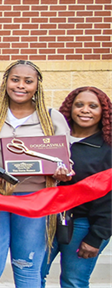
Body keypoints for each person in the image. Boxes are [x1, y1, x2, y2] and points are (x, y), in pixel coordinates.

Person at [0, 60, 69, 288]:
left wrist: (63, 171)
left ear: (37, 86)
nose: (20, 86)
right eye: (15, 80)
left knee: (26, 265)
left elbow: (64, 158)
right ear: (6, 82)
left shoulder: (52, 118)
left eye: (28, 81)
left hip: (34, 200)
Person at [45, 86, 112, 288]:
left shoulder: (107, 148)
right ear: (69, 109)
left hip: (83, 225)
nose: (85, 110)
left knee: (73, 282)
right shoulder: (52, 140)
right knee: (31, 275)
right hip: (46, 221)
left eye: (93, 106)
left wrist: (96, 237)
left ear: (104, 112)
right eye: (79, 105)